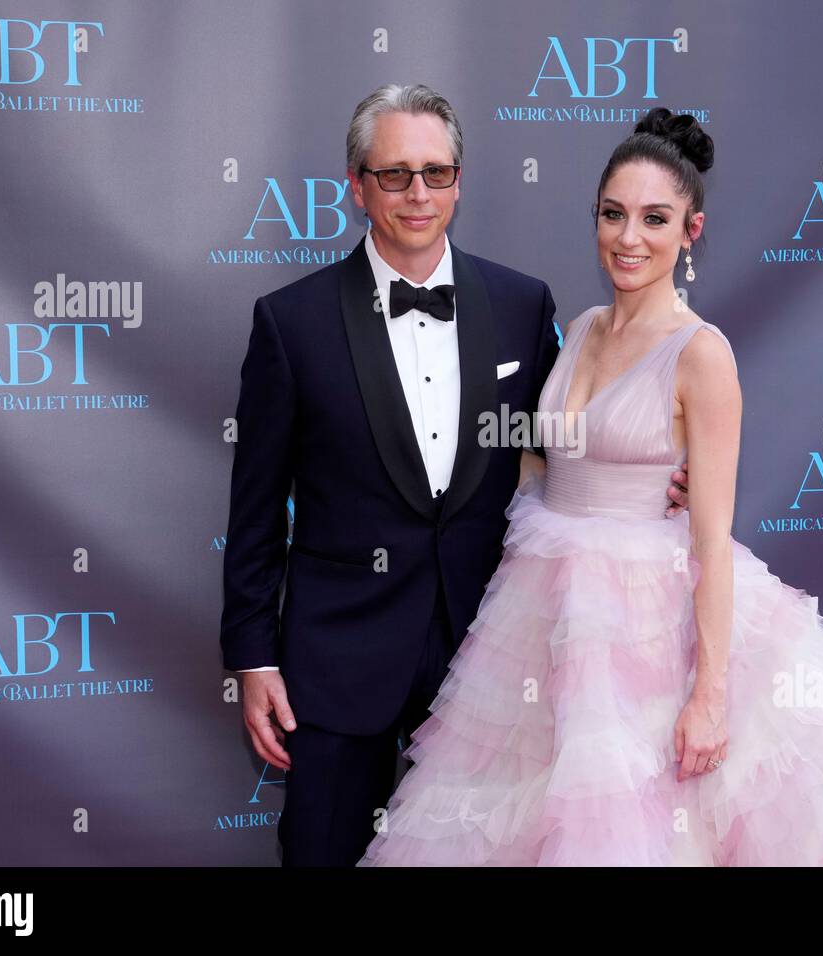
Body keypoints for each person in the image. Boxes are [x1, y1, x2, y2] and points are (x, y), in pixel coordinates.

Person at [357, 108, 823, 866]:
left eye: (654, 219)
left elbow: (711, 543)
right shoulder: (584, 326)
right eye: (613, 215)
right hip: (543, 614)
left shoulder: (702, 355)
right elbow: (535, 469)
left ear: (690, 231)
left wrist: (709, 696)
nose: (629, 238)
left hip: (647, 630)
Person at [218, 85, 690, 867]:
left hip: (493, 653)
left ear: (460, 182)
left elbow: (563, 445)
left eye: (437, 173)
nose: (418, 194)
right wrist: (253, 658)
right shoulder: (290, 322)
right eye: (395, 174)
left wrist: (659, 486)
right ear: (356, 184)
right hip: (338, 661)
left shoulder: (519, 304)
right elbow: (256, 508)